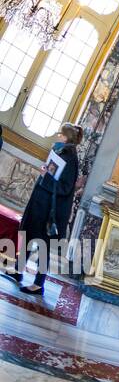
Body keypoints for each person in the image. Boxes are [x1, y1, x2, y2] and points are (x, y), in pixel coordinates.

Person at [6, 123, 81, 295]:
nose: (57, 136)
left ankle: (39, 284)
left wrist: (45, 176)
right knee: (28, 236)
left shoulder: (70, 158)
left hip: (49, 211)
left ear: (66, 137)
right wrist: (46, 171)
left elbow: (65, 188)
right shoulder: (61, 151)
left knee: (43, 247)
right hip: (40, 205)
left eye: (60, 134)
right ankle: (18, 270)